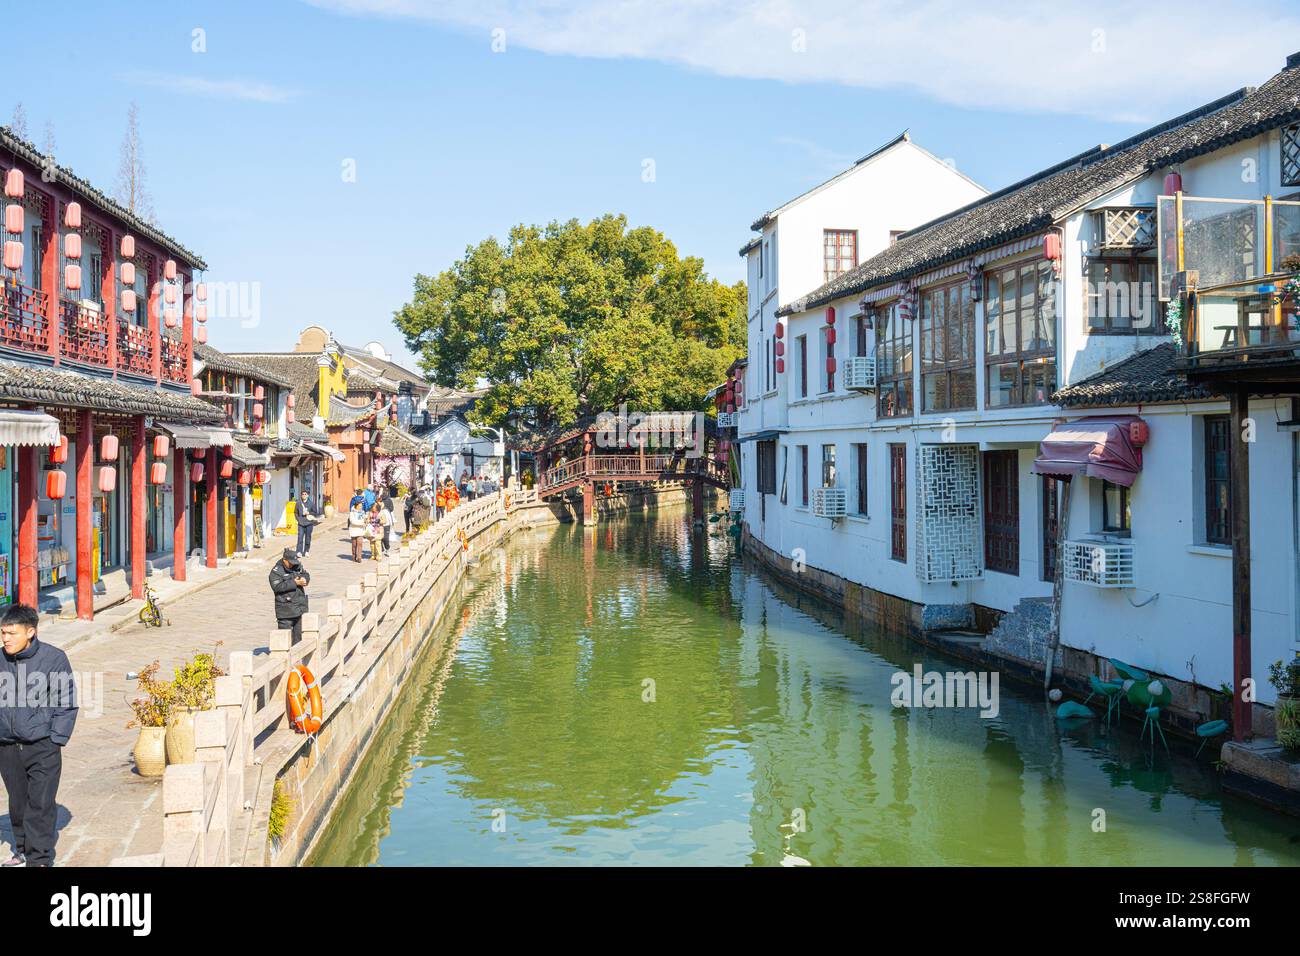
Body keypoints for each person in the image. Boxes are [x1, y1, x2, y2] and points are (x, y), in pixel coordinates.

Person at [0, 604, 77, 868]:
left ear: (30, 632)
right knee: (18, 803)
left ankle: (39, 859)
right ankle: (21, 850)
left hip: (42, 745)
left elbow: (66, 701)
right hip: (7, 745)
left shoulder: (53, 658)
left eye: (11, 633)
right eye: (3, 633)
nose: (6, 639)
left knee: (41, 804)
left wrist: (56, 738)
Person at [269, 548, 310, 644]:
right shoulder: (276, 572)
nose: (292, 564)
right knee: (284, 640)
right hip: (285, 611)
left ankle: (297, 658)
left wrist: (305, 579)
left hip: (300, 608)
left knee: (299, 640)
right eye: (290, 562)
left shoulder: (297, 565)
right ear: (284, 560)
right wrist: (294, 583)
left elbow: (305, 574)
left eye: (294, 562)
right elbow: (277, 587)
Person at [295, 491, 319, 557]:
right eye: (303, 494)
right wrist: (298, 519)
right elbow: (295, 512)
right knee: (300, 538)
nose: (304, 495)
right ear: (301, 495)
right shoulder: (298, 503)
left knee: (308, 538)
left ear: (308, 495)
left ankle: (306, 551)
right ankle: (299, 551)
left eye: (305, 494)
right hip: (301, 523)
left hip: (309, 523)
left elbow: (315, 513)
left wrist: (309, 513)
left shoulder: (311, 503)